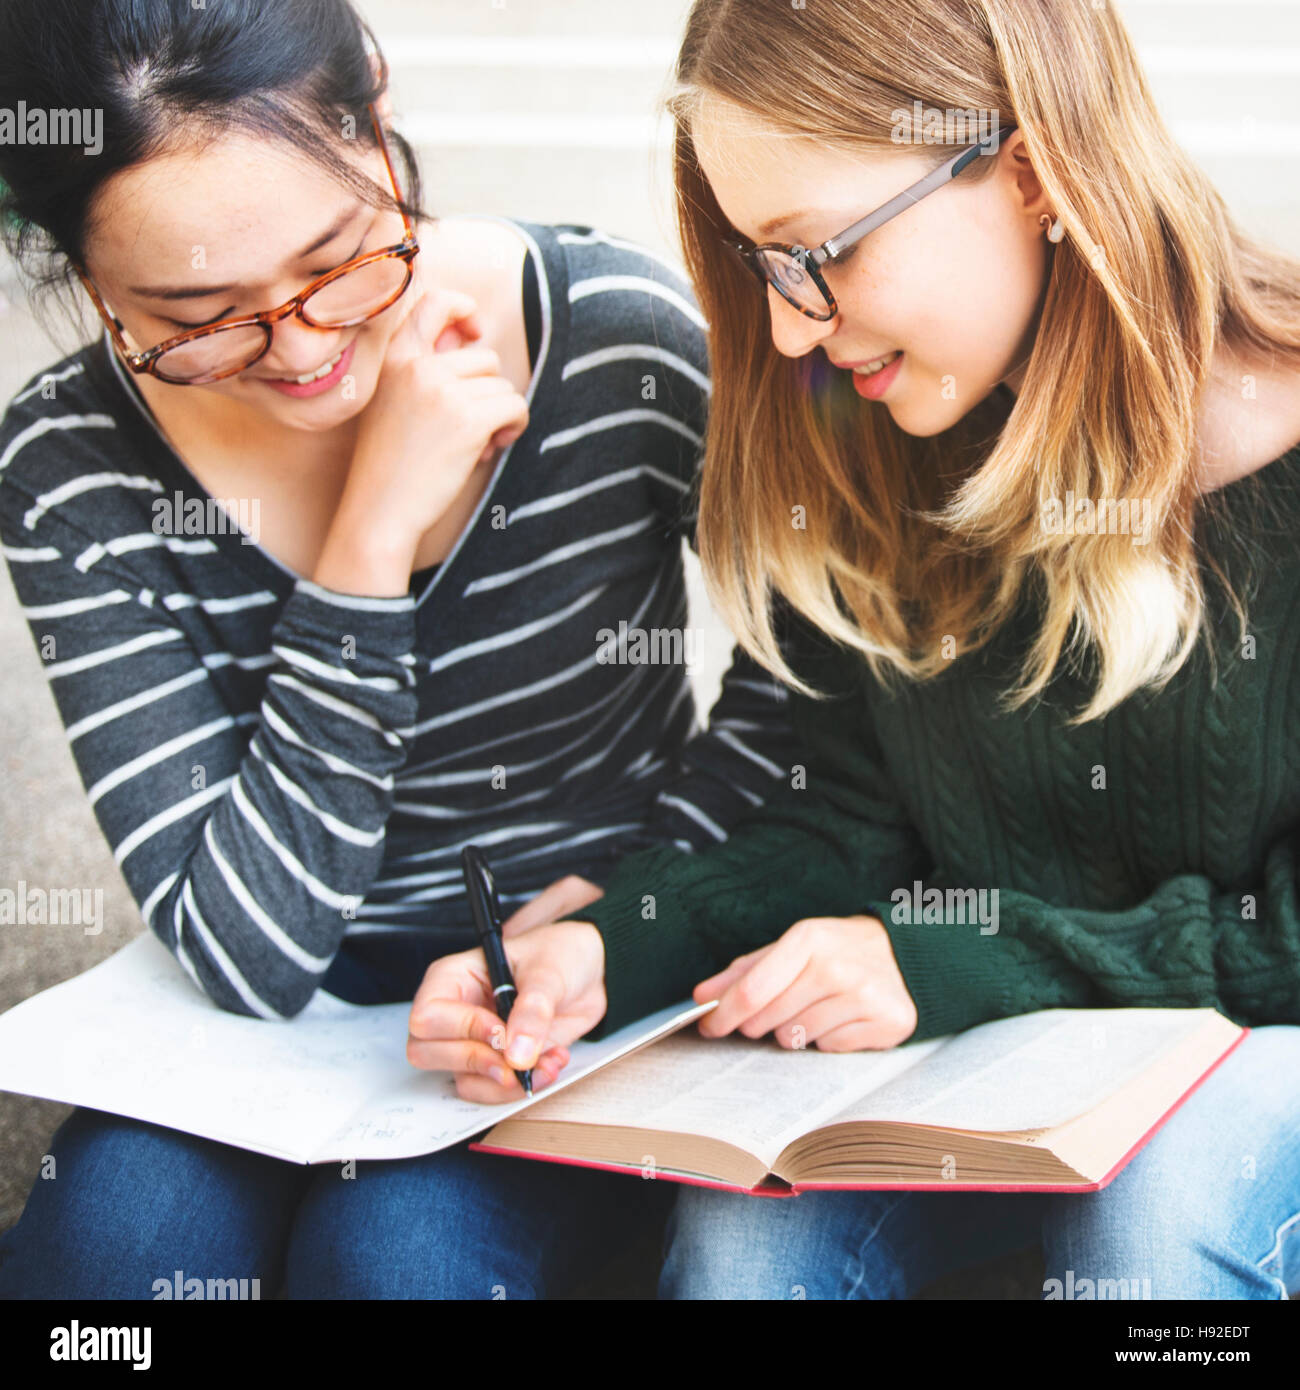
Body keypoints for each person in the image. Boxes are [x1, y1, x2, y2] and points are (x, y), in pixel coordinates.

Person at [410, 0, 1300, 1298]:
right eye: (765, 265)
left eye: (815, 251)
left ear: (1032, 172)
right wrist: (616, 937)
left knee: (1148, 1244)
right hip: (991, 1072)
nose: (787, 330)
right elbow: (849, 823)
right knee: (740, 1238)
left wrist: (964, 957)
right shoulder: (875, 426)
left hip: (1261, 1036)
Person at [0, 0, 802, 1298]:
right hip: (260, 1019)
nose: (307, 352)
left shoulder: (616, 340)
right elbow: (247, 954)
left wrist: (635, 909)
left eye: (338, 260)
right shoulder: (70, 463)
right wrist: (366, 549)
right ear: (86, 276)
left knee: (396, 1262)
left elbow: (809, 697)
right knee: (112, 1255)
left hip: (566, 1005)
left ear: (373, 105)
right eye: (195, 318)